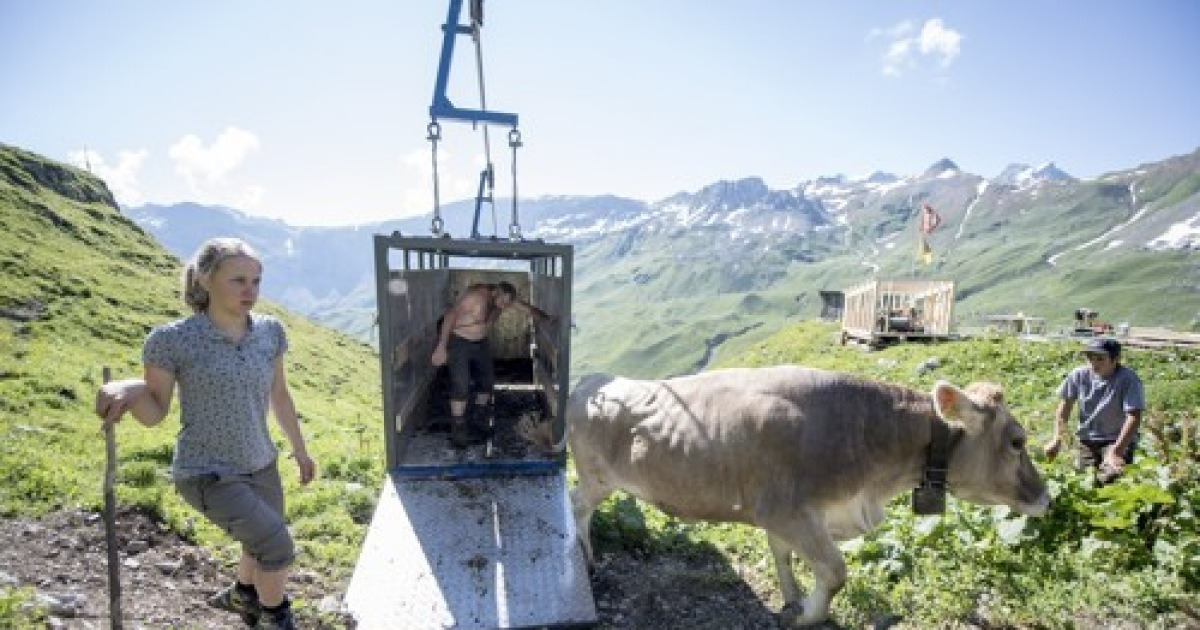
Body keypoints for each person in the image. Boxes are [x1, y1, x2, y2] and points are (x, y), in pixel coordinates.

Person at [94, 237, 315, 629]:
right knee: (276, 544)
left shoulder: (270, 332)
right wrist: (131, 390)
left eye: (257, 281)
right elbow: (154, 414)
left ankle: (243, 596)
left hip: (261, 462)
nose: (251, 291)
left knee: (259, 541)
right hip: (207, 472)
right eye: (238, 280)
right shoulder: (172, 340)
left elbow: (279, 395)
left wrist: (300, 450)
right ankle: (274, 618)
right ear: (205, 280)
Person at [431, 280, 551, 448]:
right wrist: (441, 346)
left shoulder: (504, 299)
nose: (504, 307)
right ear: (496, 293)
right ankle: (458, 430)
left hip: (481, 343)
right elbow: (450, 316)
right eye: (503, 303)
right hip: (459, 341)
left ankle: (478, 422)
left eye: (507, 304)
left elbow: (529, 310)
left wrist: (550, 320)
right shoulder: (475, 296)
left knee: (487, 382)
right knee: (461, 384)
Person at [1044, 337, 1145, 484]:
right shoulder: (1079, 375)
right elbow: (1064, 408)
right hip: (1087, 440)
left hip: (1116, 440)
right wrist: (1057, 439)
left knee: (1111, 477)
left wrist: (1117, 451)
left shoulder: (1128, 379)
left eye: (1100, 359)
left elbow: (1134, 416)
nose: (1093, 363)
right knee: (1086, 481)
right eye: (1090, 358)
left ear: (1115, 359)